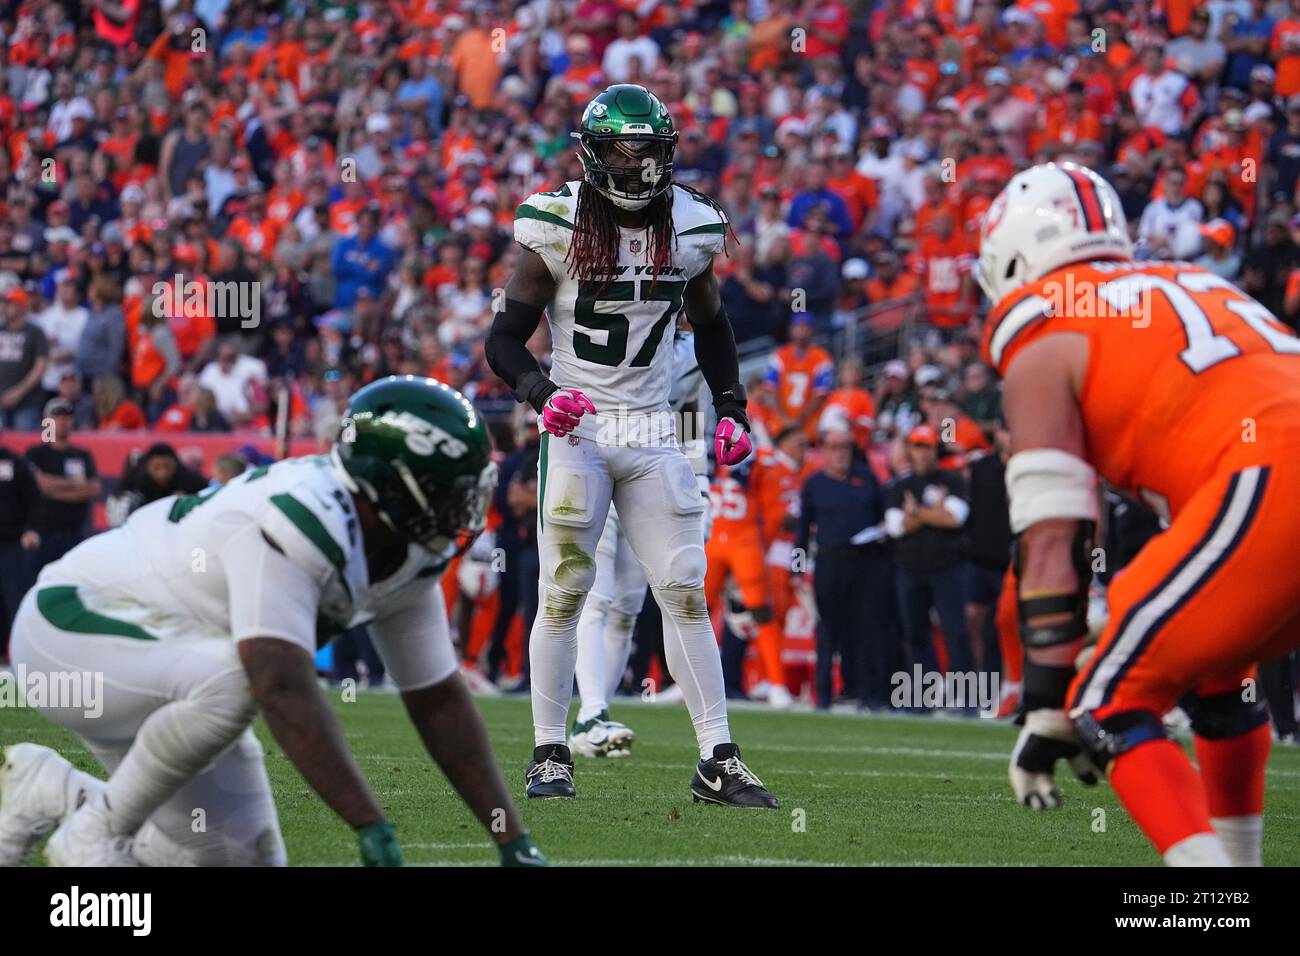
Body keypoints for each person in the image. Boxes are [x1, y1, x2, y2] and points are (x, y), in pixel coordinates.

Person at [0, 376, 545, 867]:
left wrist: (512, 841)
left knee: (236, 857)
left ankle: (53, 790)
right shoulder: (300, 516)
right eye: (450, 490)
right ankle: (97, 832)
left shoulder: (406, 548)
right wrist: (370, 823)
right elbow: (279, 686)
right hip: (74, 625)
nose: (463, 507)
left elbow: (438, 700)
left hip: (166, 665)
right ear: (392, 482)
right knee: (241, 677)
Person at [978, 160, 1300, 866]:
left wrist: (1046, 699)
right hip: (1262, 477)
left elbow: (1054, 526)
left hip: (1271, 481)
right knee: (1218, 677)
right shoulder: (1199, 280)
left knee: (1108, 701)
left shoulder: (1044, 324)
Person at [485, 84, 778, 808]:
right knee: (565, 593)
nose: (638, 163)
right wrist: (542, 393)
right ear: (591, 152)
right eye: (622, 148)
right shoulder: (553, 224)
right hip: (580, 429)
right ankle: (551, 751)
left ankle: (719, 758)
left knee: (683, 591)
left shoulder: (693, 225)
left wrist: (733, 405)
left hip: (653, 430)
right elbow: (501, 340)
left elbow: (712, 324)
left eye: (649, 148)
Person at [796, 428, 893, 709]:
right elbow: (803, 530)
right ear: (824, 451)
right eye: (834, 447)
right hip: (830, 561)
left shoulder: (866, 478)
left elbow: (884, 517)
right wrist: (796, 569)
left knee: (867, 627)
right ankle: (823, 696)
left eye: (845, 448)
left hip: (866, 561)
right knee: (828, 628)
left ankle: (869, 695)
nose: (840, 453)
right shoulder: (814, 484)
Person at [885, 424, 976, 703]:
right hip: (910, 568)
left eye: (927, 447)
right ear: (910, 451)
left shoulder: (952, 480)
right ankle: (924, 696)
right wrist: (934, 512)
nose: (922, 454)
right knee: (915, 633)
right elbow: (895, 527)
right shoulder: (900, 485)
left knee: (955, 631)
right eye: (917, 447)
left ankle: (963, 696)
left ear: (935, 449)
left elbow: (955, 519)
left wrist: (917, 513)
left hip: (947, 567)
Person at [24, 398, 101, 567]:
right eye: (57, 417)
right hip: (44, 534)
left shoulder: (82, 455)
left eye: (66, 417)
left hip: (74, 533)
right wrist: (76, 484)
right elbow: (42, 486)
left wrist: (54, 488)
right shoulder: (36, 453)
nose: (62, 421)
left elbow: (94, 488)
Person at [0, 439, 41, 661]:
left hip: (11, 542)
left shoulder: (14, 462)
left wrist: (30, 529)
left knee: (13, 598)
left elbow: (33, 498)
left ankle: (17, 652)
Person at [0, 288, 49, 432]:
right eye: (6, 304)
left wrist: (19, 392)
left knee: (23, 444)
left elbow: (40, 366)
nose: (6, 307)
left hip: (27, 401)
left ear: (23, 307)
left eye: (11, 304)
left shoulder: (34, 332)